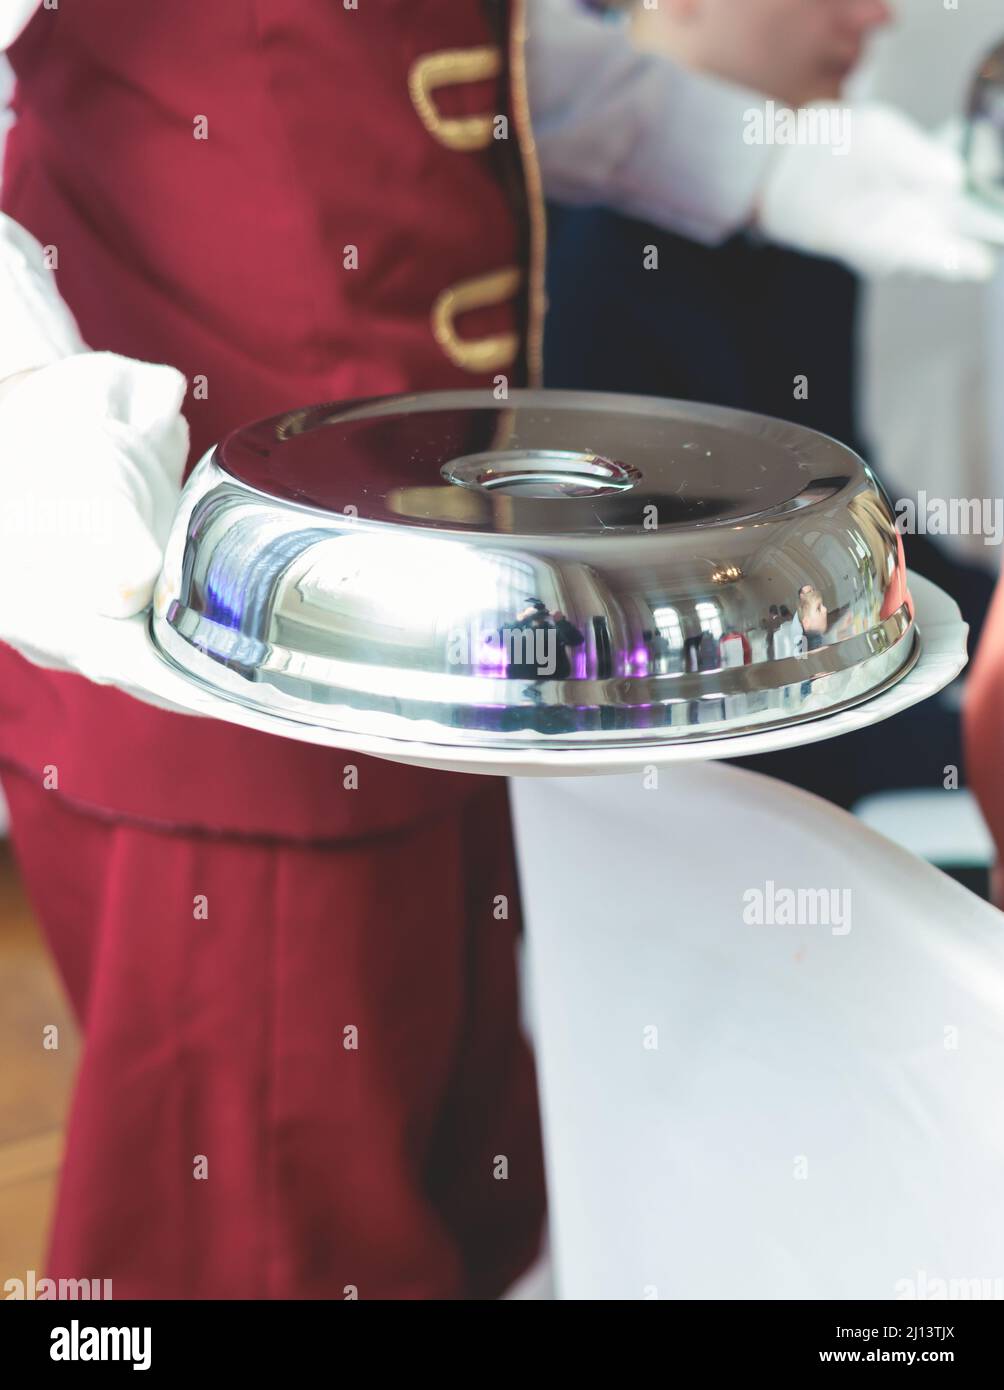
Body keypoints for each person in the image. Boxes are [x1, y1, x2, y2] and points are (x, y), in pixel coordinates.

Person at [0, 0, 999, 1301]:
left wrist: (753, 156)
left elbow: (452, 59)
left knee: (462, 1190)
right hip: (220, 694)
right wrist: (27, 420)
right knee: (263, 1245)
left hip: (457, 657)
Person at [545, 0, 1000, 814]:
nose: (876, 18)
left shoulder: (804, 227)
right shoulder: (582, 271)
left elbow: (844, 528)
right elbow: (690, 675)